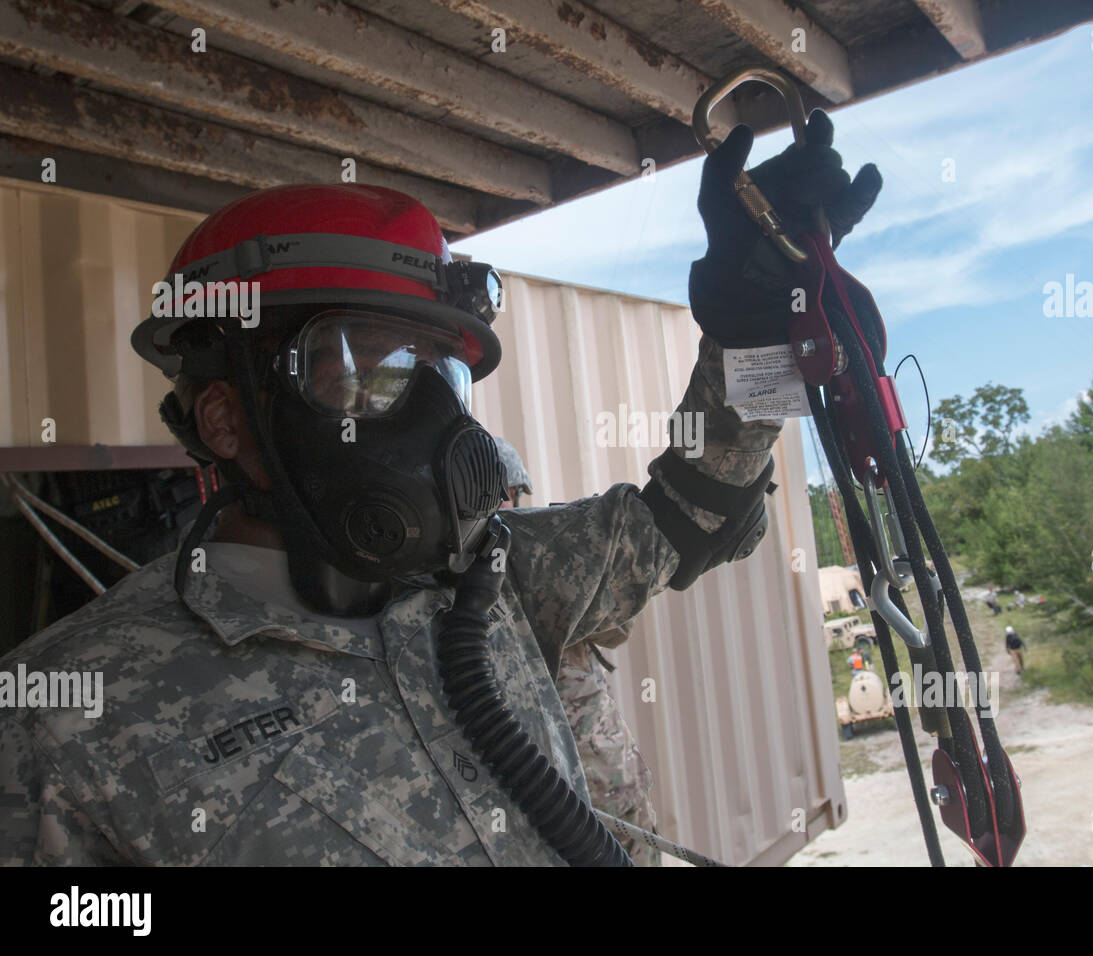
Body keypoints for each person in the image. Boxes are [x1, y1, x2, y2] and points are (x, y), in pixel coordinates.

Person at [0, 109, 883, 865]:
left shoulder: (494, 581)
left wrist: (757, 328)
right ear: (229, 418)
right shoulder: (64, 719)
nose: (430, 417)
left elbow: (692, 511)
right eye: (372, 369)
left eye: (437, 372)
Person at [495, 437, 661, 867]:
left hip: (615, 787)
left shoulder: (534, 565)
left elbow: (615, 628)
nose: (506, 508)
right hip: (570, 807)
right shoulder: (479, 585)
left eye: (508, 496)